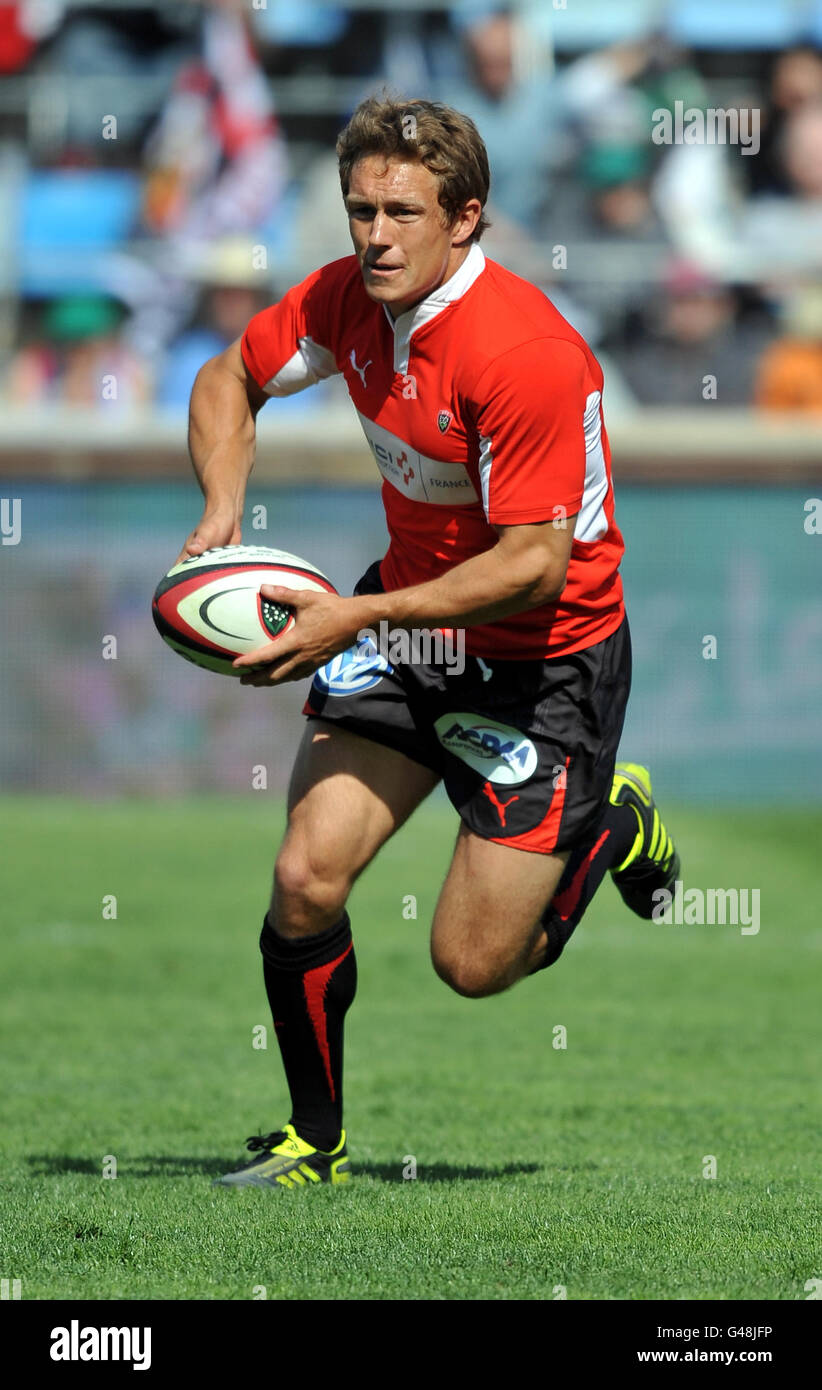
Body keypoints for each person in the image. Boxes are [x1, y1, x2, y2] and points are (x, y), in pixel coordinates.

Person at [174, 96, 680, 1190]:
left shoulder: (525, 354)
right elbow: (228, 379)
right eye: (361, 210)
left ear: (467, 219)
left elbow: (530, 565)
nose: (375, 236)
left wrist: (353, 616)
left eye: (402, 211)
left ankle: (614, 825)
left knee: (474, 963)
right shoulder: (344, 299)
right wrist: (223, 507)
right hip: (407, 623)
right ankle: (315, 1141)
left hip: (545, 660)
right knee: (306, 875)